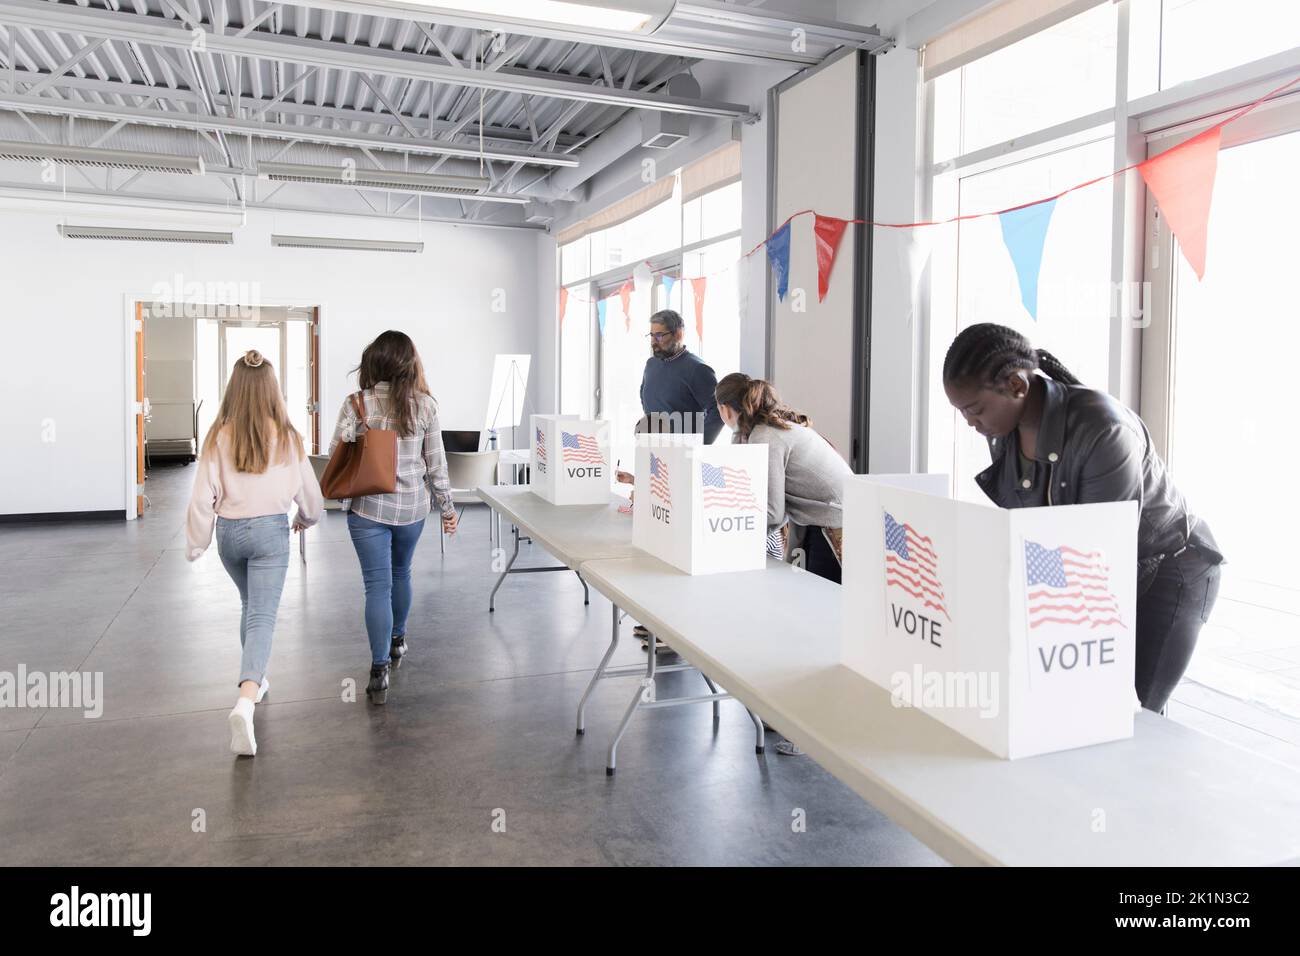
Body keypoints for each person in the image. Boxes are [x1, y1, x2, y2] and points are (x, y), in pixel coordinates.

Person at [942, 323, 1224, 713]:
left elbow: (1101, 556)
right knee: (1072, 703)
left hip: (1171, 569)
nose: (970, 423)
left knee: (1133, 712)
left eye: (975, 410)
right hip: (1092, 572)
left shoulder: (1104, 430)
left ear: (1016, 386)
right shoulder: (1003, 430)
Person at [186, 350, 323, 756]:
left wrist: (197, 542)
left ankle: (256, 681)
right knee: (263, 614)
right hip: (269, 534)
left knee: (250, 605)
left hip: (230, 535)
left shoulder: (217, 435)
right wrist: (307, 518)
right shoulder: (288, 436)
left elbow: (200, 497)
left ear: (235, 389)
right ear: (272, 391)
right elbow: (310, 495)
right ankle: (245, 701)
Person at [330, 331, 457, 705]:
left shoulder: (356, 404)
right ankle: (398, 639)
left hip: (367, 509)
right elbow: (437, 466)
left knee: (376, 586)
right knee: (401, 573)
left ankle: (378, 669)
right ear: (409, 364)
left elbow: (337, 452)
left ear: (374, 361)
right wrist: (448, 510)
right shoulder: (426, 406)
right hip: (412, 509)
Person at [714, 373, 852, 584]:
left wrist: (725, 533)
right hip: (828, 518)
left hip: (834, 522)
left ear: (723, 408)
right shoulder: (759, 429)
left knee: (819, 600)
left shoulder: (765, 436)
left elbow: (772, 512)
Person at [638, 309, 723, 443]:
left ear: (678, 334)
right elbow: (645, 397)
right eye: (652, 335)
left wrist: (698, 446)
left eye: (659, 336)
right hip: (652, 447)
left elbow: (718, 411)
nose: (653, 342)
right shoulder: (651, 364)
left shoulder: (698, 369)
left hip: (682, 453)